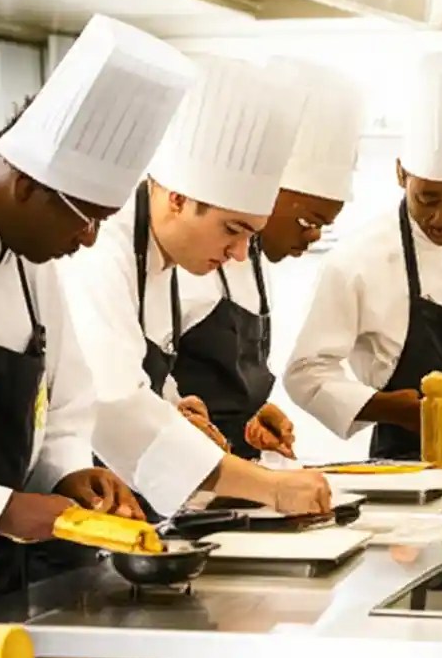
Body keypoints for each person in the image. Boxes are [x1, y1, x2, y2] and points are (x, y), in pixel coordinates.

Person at [62, 54, 332, 520]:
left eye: (251, 234)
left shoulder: (165, 254)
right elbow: (112, 401)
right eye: (233, 230)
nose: (240, 254)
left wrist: (175, 411)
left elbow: (141, 379)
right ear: (178, 199)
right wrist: (270, 488)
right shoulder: (102, 247)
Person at [0, 15, 186, 593]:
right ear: (25, 186)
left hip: (0, 576)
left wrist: (71, 471)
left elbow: (65, 403)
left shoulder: (33, 262)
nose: (89, 241)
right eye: (85, 219)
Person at [284, 51, 442, 461]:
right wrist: (389, 408)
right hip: (395, 467)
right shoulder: (358, 259)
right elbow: (306, 373)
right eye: (427, 198)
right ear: (401, 174)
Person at [170, 59, 365, 460]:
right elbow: (141, 392)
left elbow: (221, 386)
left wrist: (252, 416)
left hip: (227, 476)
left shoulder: (256, 263)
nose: (312, 237)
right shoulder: (183, 261)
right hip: (173, 477)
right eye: (309, 221)